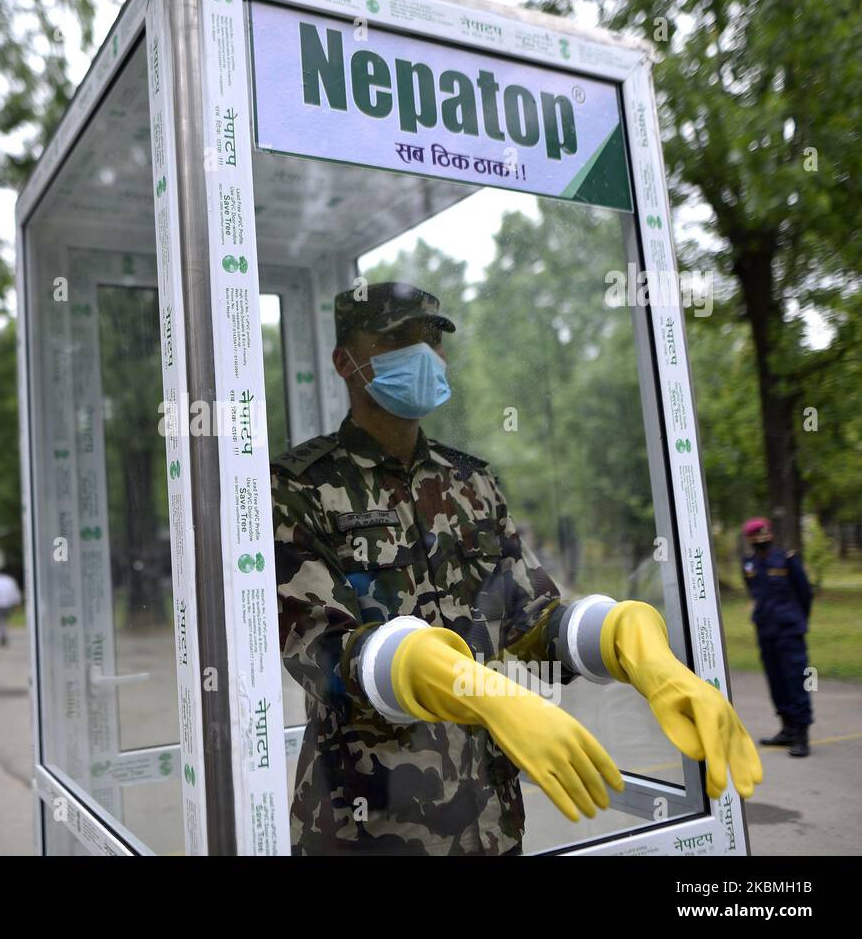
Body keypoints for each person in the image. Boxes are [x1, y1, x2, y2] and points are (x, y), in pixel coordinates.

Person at [271, 281, 763, 855]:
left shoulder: (470, 483)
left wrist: (625, 638)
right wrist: (470, 686)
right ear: (345, 360)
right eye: (397, 338)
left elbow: (532, 622)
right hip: (364, 829)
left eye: (432, 338)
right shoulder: (297, 487)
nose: (423, 353)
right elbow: (320, 652)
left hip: (488, 822)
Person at [741, 517, 813, 757]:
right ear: (750, 540)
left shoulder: (787, 560)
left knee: (795, 680)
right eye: (756, 537)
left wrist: (798, 620)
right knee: (776, 681)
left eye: (764, 536)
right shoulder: (748, 564)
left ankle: (802, 735)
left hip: (789, 631)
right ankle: (787, 729)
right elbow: (754, 594)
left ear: (770, 536)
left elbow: (805, 593)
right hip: (766, 631)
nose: (761, 540)